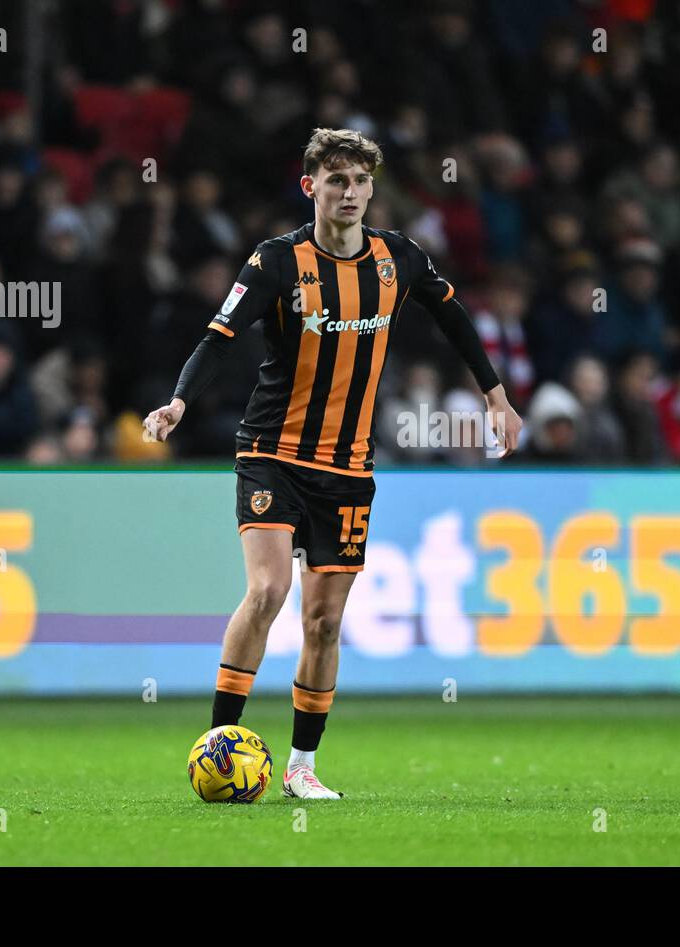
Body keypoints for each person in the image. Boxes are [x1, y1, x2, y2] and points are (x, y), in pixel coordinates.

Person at [144, 128, 522, 799]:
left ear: (372, 189)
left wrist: (496, 397)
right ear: (310, 186)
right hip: (271, 451)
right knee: (267, 592)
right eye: (336, 180)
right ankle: (218, 745)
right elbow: (218, 334)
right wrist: (177, 401)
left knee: (324, 621)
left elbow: (457, 318)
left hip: (346, 467)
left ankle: (301, 769)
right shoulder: (276, 263)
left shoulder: (398, 260)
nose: (349, 193)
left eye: (360, 182)